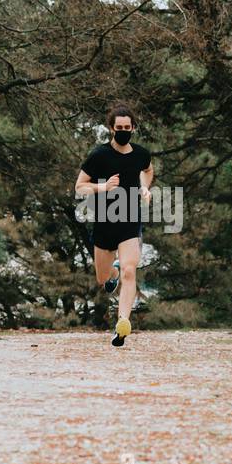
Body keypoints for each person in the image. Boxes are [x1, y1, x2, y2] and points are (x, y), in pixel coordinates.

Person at [75, 104, 153, 347]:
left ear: (133, 128)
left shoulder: (141, 154)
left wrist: (144, 187)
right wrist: (103, 187)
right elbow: (79, 187)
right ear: (111, 128)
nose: (123, 131)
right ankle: (113, 273)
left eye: (127, 128)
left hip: (130, 218)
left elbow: (147, 171)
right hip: (105, 221)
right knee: (103, 278)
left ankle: (122, 323)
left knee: (131, 271)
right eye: (119, 128)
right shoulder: (99, 155)